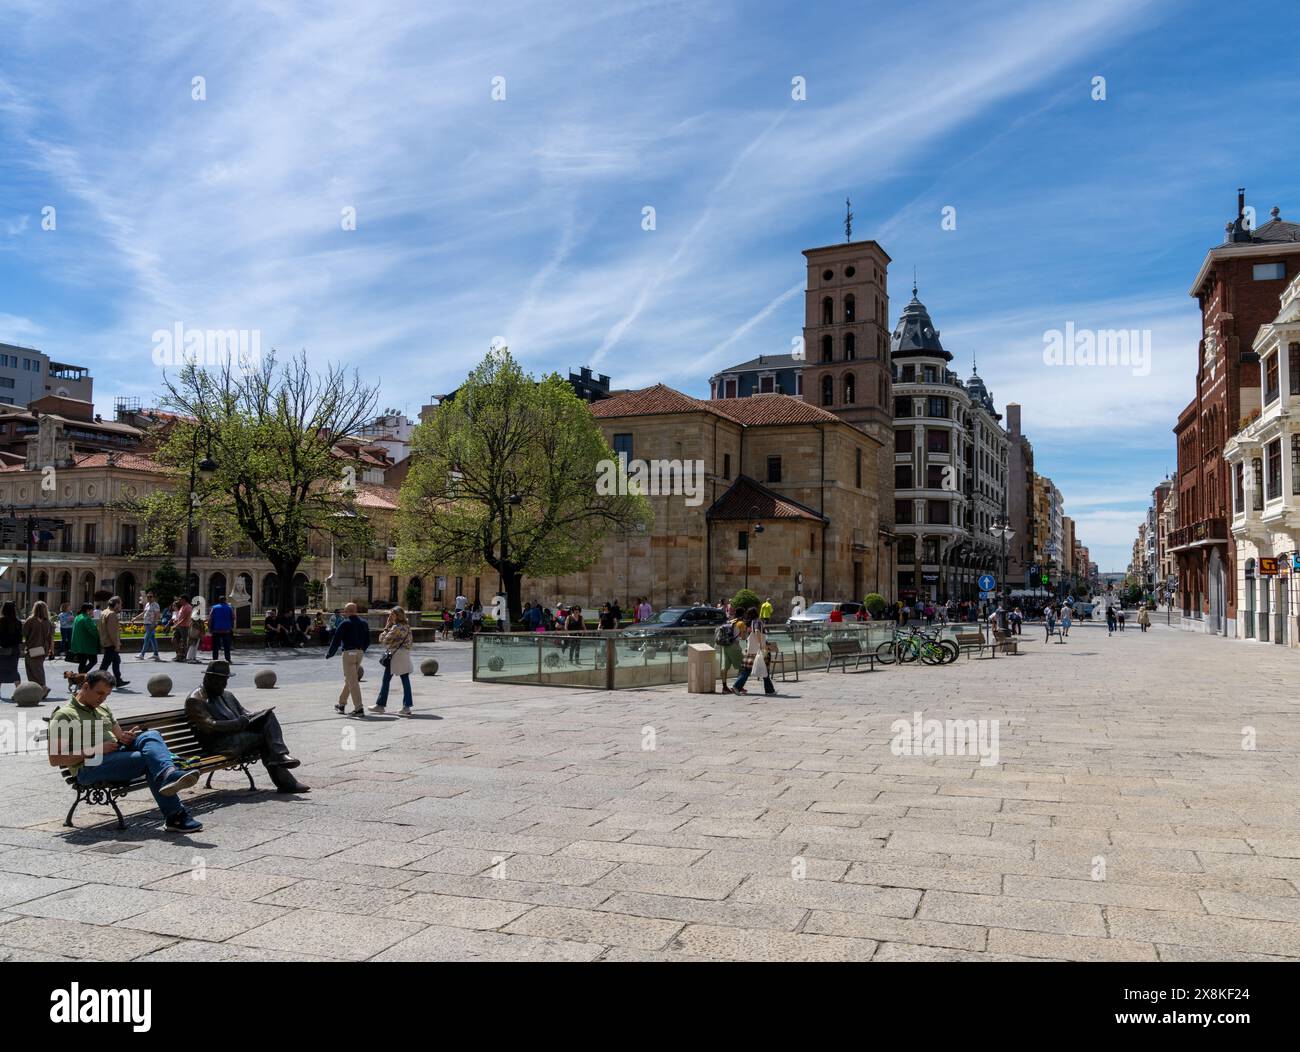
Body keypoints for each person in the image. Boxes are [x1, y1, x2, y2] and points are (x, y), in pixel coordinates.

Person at [48, 670, 203, 833]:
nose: (102, 699)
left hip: (114, 756)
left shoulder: (103, 708)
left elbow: (119, 736)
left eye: (106, 695)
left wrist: (125, 737)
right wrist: (95, 749)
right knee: (148, 759)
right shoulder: (64, 715)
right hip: (89, 766)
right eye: (99, 693)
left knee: (151, 734)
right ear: (85, 687)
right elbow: (55, 759)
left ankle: (167, 775)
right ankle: (176, 815)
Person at [185, 659, 308, 793]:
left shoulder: (226, 695)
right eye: (220, 680)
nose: (224, 684)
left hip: (235, 735)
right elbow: (209, 726)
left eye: (226, 679)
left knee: (268, 717)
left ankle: (281, 756)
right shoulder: (196, 699)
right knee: (265, 738)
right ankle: (285, 779)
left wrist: (258, 715)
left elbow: (244, 712)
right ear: (209, 678)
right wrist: (238, 723)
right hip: (218, 743)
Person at [326, 602, 370, 716]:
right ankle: (341, 704)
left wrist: (330, 653)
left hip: (348, 653)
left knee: (352, 681)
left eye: (345, 611)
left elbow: (336, 640)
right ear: (355, 611)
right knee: (350, 680)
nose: (344, 613)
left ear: (347, 611)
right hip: (359, 653)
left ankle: (359, 708)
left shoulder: (344, 623)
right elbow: (368, 641)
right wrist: (362, 650)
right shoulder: (364, 623)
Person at [370, 607, 414, 716]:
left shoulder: (396, 627)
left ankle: (380, 705)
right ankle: (406, 706)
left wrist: (386, 627)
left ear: (397, 616)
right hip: (404, 655)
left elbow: (383, 640)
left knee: (386, 680)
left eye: (392, 614)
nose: (390, 616)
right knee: (405, 680)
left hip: (395, 656)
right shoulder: (407, 626)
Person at [731, 607, 776, 697]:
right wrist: (761, 645)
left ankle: (737, 686)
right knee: (764, 670)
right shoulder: (757, 621)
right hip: (758, 650)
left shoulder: (750, 623)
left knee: (747, 670)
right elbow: (757, 631)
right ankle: (769, 690)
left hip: (751, 651)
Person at [22, 600, 54, 700]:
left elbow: (24, 633)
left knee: (32, 670)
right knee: (38, 669)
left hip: (32, 648)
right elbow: (51, 637)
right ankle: (37, 690)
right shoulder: (48, 622)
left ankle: (43, 688)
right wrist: (51, 649)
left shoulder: (30, 620)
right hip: (43, 648)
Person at [95, 595, 129, 688]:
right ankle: (95, 681)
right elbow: (113, 632)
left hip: (105, 641)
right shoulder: (112, 614)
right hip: (110, 643)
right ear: (117, 604)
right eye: (120, 604)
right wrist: (117, 644)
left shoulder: (104, 612)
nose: (121, 606)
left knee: (116, 660)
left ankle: (118, 680)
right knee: (105, 665)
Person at [715, 614, 746, 694]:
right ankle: (738, 686)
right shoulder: (741, 624)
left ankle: (724, 687)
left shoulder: (729, 623)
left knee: (724, 667)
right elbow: (743, 637)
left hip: (725, 646)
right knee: (743, 666)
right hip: (734, 646)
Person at [70, 602, 100, 675]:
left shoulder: (78, 617)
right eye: (92, 610)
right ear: (88, 610)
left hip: (78, 644)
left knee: (82, 662)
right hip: (87, 645)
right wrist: (100, 637)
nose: (93, 611)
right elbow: (94, 631)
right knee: (93, 661)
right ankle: (82, 675)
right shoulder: (87, 619)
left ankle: (80, 678)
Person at [0, 600, 21, 700]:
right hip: (14, 650)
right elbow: (19, 638)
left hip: (2, 650)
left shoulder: (1, 621)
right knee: (14, 670)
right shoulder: (18, 622)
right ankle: (19, 692)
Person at [208, 594, 234, 663]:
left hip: (216, 630)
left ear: (219, 601)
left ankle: (215, 659)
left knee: (215, 646)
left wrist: (210, 628)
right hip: (226, 630)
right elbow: (233, 617)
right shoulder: (229, 608)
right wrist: (231, 626)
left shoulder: (214, 607)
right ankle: (228, 659)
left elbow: (210, 618)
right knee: (227, 646)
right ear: (225, 600)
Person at [138, 591, 161, 661]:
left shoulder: (156, 605)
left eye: (150, 596)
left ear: (153, 598)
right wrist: (135, 618)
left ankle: (142, 654)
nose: (149, 598)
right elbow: (143, 613)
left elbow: (157, 615)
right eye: (148, 596)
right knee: (152, 639)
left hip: (151, 624)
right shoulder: (147, 604)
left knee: (146, 638)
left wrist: (153, 623)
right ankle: (156, 654)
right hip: (146, 624)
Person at [173, 595, 192, 661]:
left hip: (184, 626)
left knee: (184, 642)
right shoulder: (182, 607)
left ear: (184, 599)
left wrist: (177, 624)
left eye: (180, 599)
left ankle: (184, 656)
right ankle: (179, 654)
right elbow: (180, 616)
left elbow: (185, 618)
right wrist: (176, 620)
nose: (179, 601)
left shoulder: (188, 607)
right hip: (179, 626)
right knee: (174, 639)